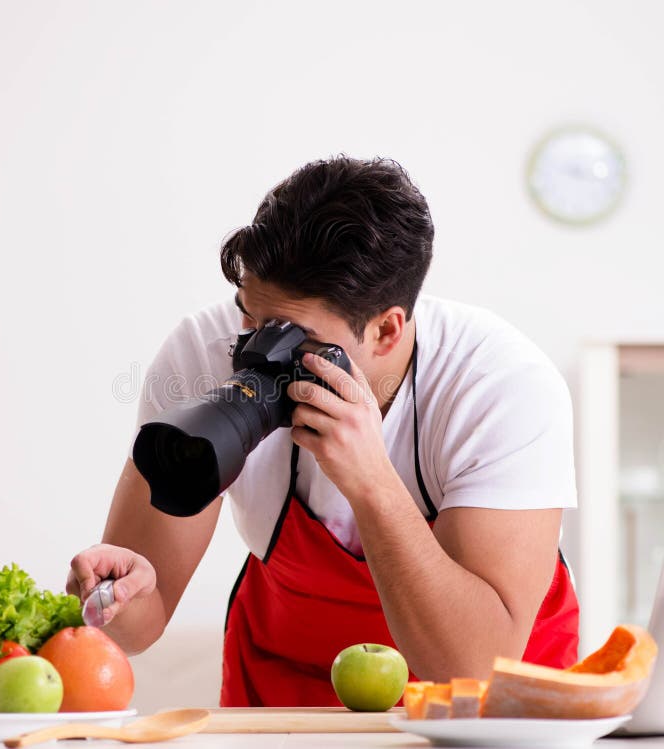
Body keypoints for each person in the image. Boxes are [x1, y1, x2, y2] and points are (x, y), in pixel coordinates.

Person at [68, 155, 579, 707]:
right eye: (250, 317)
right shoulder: (203, 351)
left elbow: (468, 665)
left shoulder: (499, 386)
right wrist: (114, 600)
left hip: (491, 704)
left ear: (386, 330)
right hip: (288, 691)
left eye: (291, 335)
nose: (255, 350)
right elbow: (138, 627)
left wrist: (372, 482)